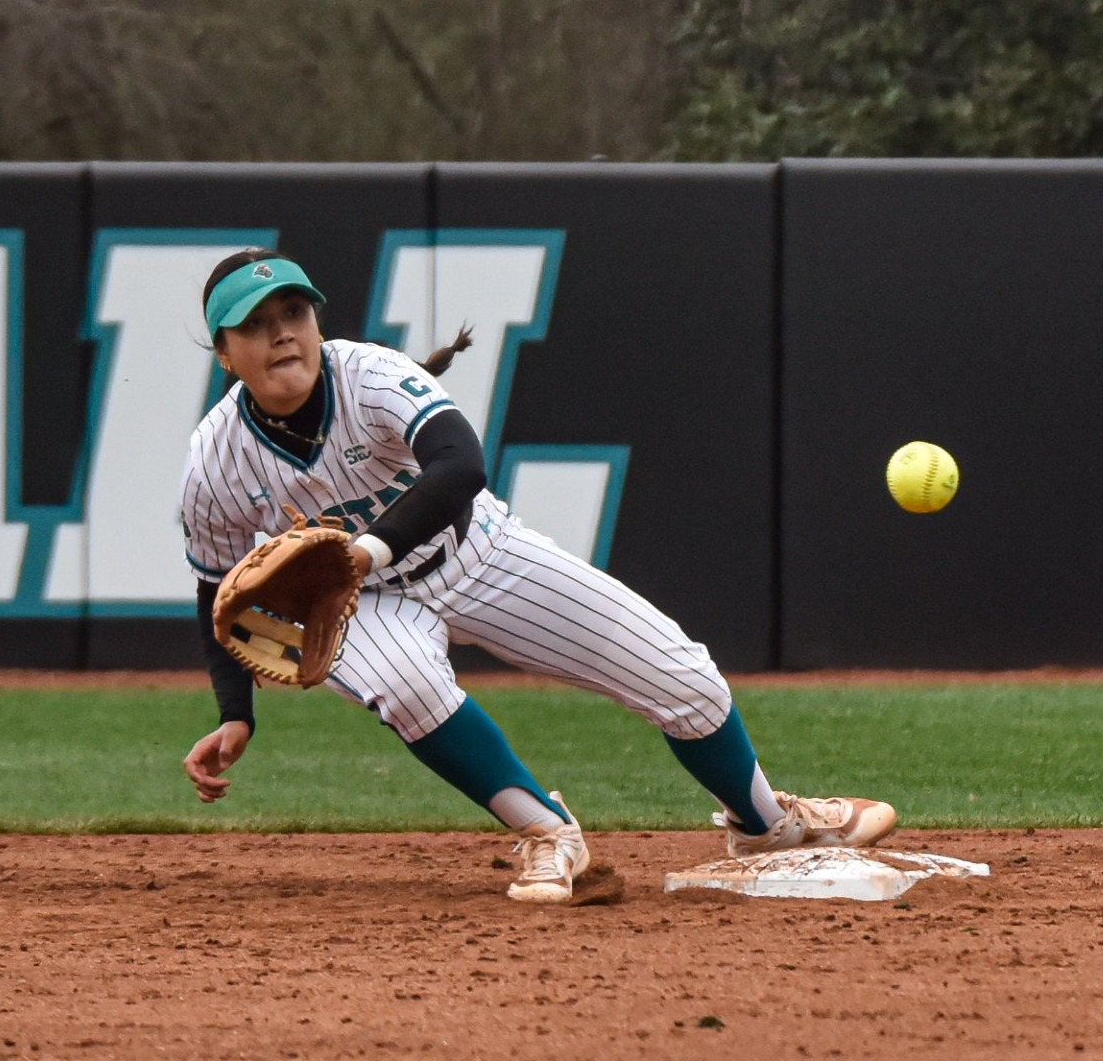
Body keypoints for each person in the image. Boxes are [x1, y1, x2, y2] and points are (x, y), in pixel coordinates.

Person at [178, 248, 896, 903]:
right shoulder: (215, 458)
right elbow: (218, 587)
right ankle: (548, 835)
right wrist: (234, 711)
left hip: (478, 552)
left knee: (683, 677)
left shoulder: (369, 375)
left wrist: (366, 551)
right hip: (363, 605)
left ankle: (765, 824)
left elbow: (462, 466)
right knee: (405, 686)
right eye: (256, 323)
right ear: (223, 353)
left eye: (294, 313)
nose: (282, 333)